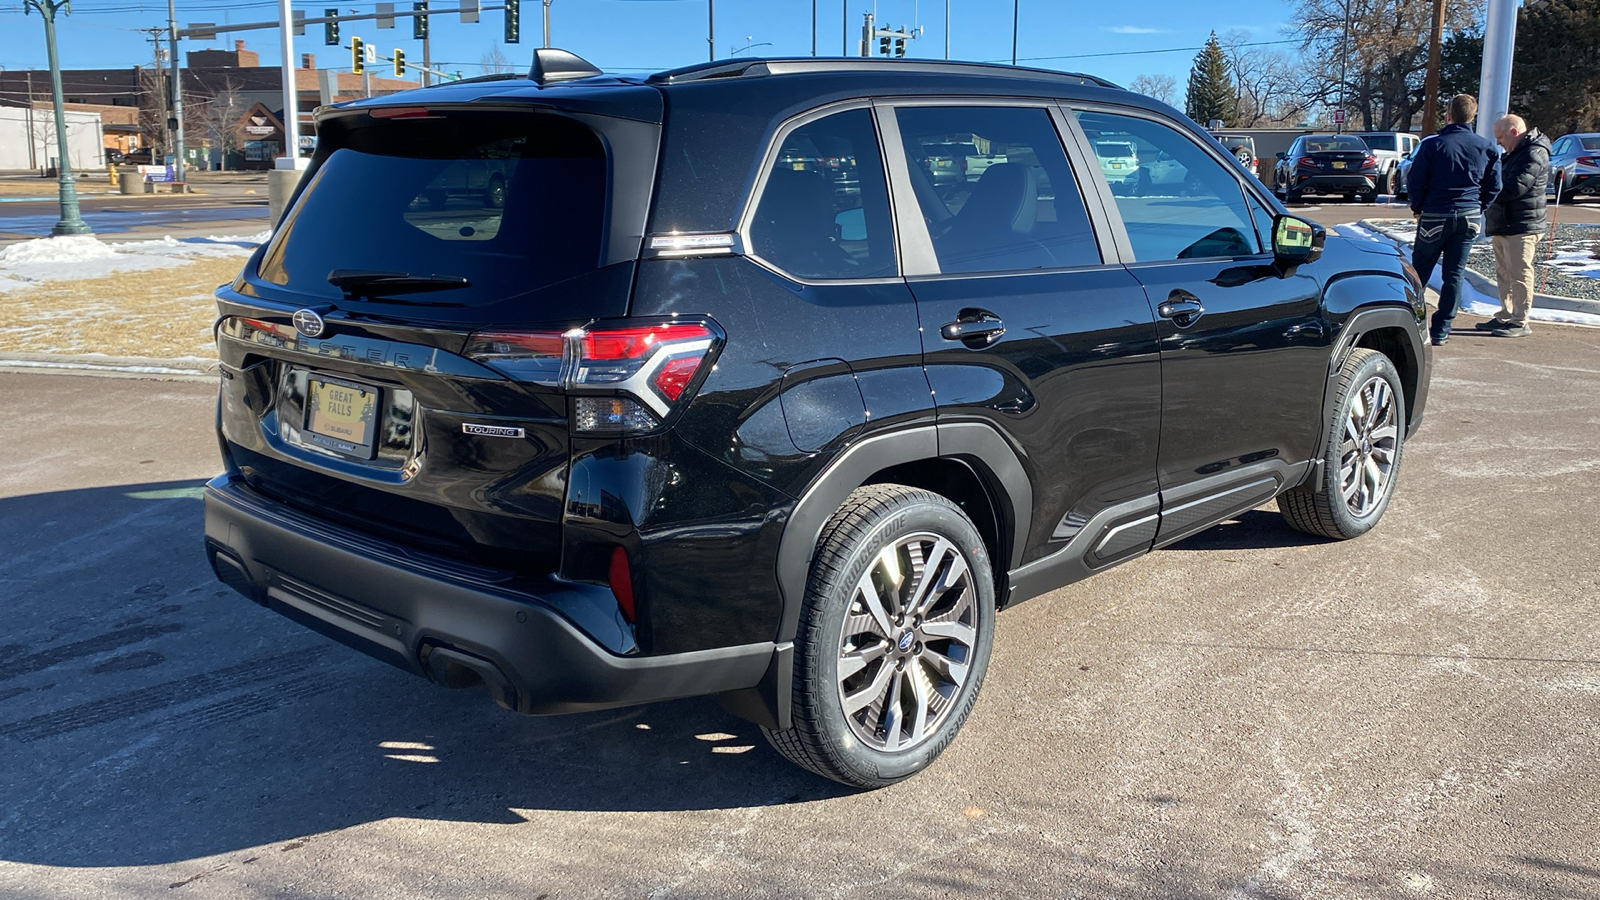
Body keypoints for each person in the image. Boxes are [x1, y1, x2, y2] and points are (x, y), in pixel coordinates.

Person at [1407, 94, 1502, 346]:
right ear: (1473, 117)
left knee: (1420, 271)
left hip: (1436, 213)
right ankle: (1442, 329)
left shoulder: (1432, 145)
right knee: (1454, 273)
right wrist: (1478, 206)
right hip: (1469, 215)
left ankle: (1411, 321)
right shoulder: (1487, 147)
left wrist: (1418, 207)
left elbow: (1415, 181)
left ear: (1448, 114)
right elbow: (1495, 186)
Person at [1481, 114, 1551, 338]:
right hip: (1505, 223)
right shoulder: (1513, 153)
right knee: (1504, 273)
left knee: (1519, 273)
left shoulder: (1533, 152)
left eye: (1500, 137)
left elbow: (1515, 188)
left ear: (1514, 132)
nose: (1498, 142)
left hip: (1522, 225)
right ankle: (1506, 314)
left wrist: (1485, 191)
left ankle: (1520, 320)